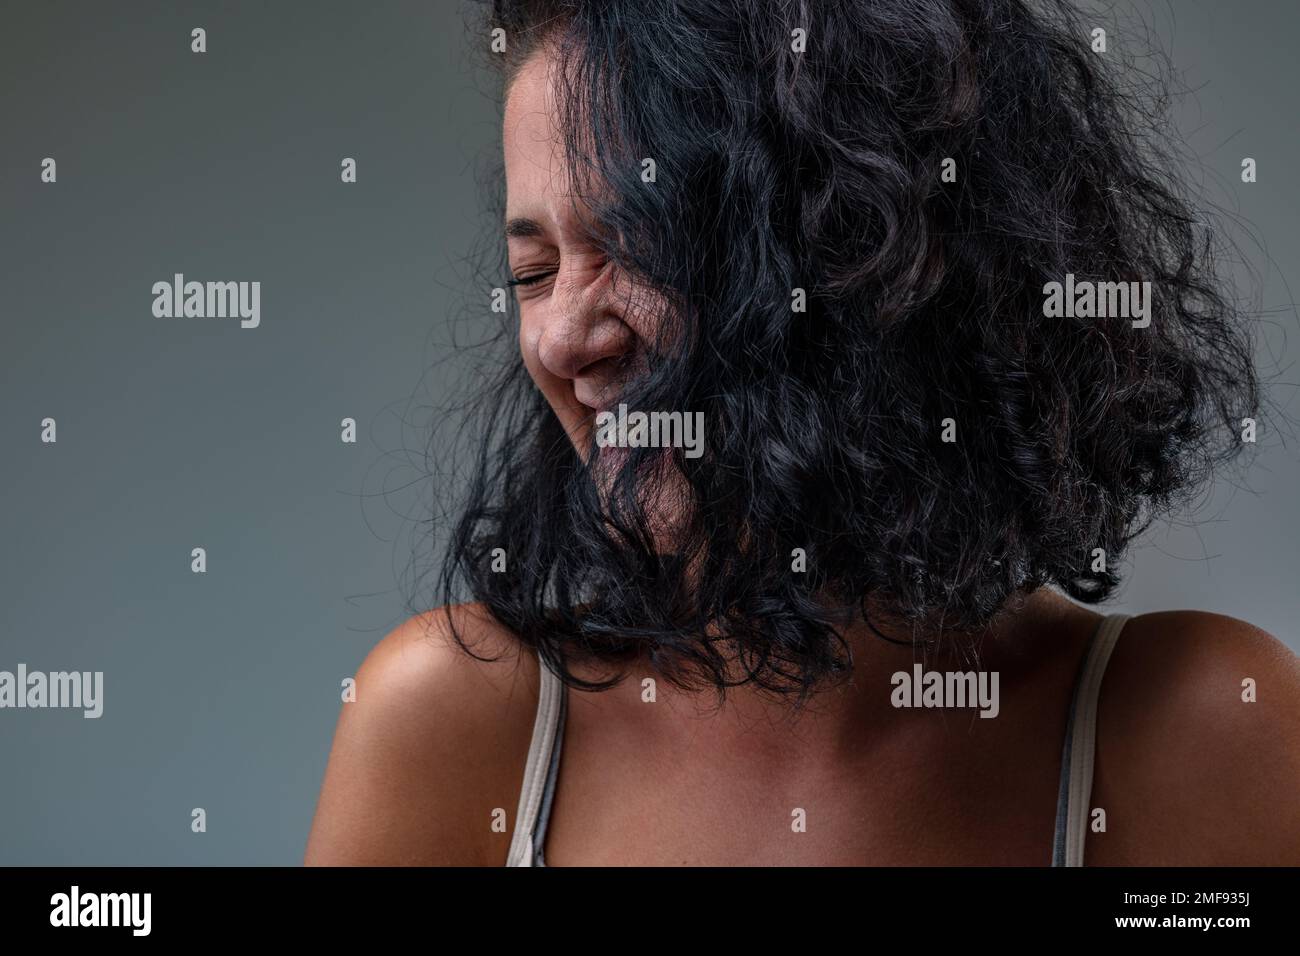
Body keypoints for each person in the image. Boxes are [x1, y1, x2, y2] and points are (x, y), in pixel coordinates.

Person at [305, 0, 1300, 866]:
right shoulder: (457, 722)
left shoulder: (1197, 726)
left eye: (642, 242)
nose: (561, 334)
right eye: (533, 272)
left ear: (874, 256)